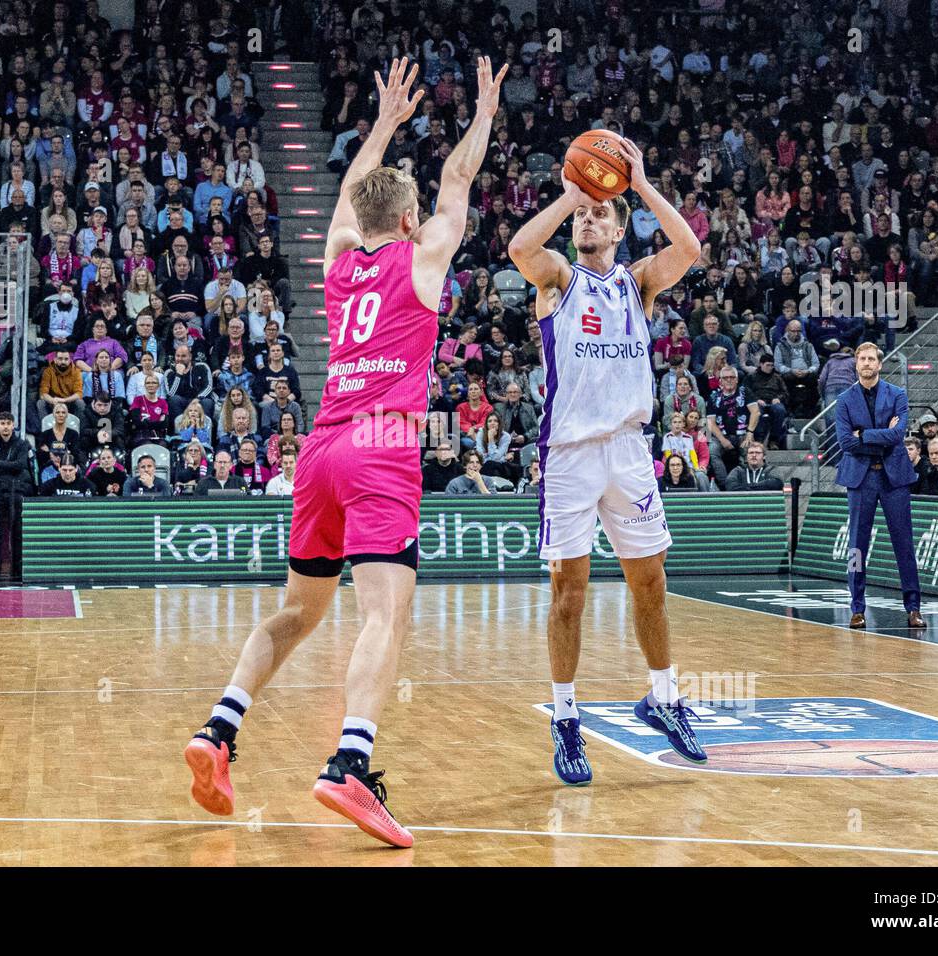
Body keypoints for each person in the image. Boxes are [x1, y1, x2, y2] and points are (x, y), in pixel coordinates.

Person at [184, 58, 506, 849]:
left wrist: (387, 123)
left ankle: (219, 731)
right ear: (407, 223)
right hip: (383, 444)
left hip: (319, 447)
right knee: (384, 616)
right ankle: (350, 764)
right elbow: (460, 176)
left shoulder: (336, 262)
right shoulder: (421, 258)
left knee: (299, 610)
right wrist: (485, 112)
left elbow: (346, 198)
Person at [508, 133, 707, 788]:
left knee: (650, 582)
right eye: (583, 215)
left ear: (619, 227)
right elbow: (518, 249)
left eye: (601, 212)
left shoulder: (636, 283)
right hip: (569, 454)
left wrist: (641, 184)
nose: (590, 219)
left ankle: (663, 697)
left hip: (629, 450)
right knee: (569, 592)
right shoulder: (557, 279)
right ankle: (566, 719)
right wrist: (571, 194)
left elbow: (690, 250)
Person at [835, 343, 924, 630]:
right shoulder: (844, 400)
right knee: (856, 548)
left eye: (871, 358)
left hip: (894, 477)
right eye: (862, 359)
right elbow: (845, 442)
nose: (866, 363)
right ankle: (857, 608)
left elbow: (898, 435)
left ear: (880, 364)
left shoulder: (897, 394)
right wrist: (881, 435)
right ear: (855, 364)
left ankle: (913, 608)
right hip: (861, 479)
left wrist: (865, 435)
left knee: (904, 544)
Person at [0, 413, 34, 579]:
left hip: (15, 491)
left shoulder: (21, 444)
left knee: (16, 531)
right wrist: (7, 466)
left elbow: (21, 465)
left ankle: (17, 570)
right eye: (2, 423)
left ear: (13, 425)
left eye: (8, 423)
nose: (5, 426)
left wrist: (0, 464)